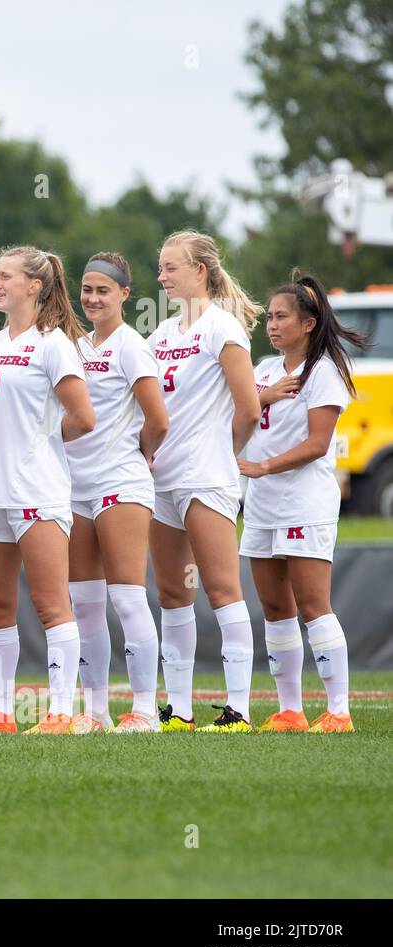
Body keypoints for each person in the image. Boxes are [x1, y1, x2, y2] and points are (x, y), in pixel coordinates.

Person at [0, 245, 95, 735]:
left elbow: (83, 418)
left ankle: (60, 712)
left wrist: (35, 443)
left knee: (50, 603)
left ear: (35, 286)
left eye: (7, 276)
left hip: (36, 490)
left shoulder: (53, 344)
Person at [239, 273, 366, 733]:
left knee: (313, 605)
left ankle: (338, 711)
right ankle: (290, 710)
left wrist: (264, 467)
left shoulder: (324, 371)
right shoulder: (264, 370)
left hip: (303, 502)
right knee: (274, 607)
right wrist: (261, 396)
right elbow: (240, 414)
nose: (271, 325)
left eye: (281, 317)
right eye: (269, 317)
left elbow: (318, 444)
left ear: (309, 323)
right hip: (262, 504)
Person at [149, 231, 263, 733]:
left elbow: (249, 408)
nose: (161, 276)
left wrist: (225, 454)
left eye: (171, 267)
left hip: (206, 476)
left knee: (221, 588)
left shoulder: (222, 328)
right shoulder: (159, 334)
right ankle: (181, 710)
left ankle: (238, 709)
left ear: (200, 270)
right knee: (173, 593)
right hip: (161, 480)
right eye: (160, 267)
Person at [64, 253, 169, 733]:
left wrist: (138, 454)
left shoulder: (132, 345)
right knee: (84, 603)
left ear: (125, 295)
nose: (92, 298)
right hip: (73, 486)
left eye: (103, 290)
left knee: (127, 597)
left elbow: (158, 419)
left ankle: (145, 711)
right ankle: (96, 711)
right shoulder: (75, 345)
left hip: (120, 482)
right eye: (86, 289)